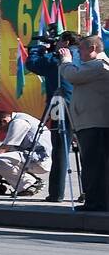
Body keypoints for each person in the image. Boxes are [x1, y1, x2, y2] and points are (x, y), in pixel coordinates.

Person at [25, 30, 79, 201]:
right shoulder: (83, 56)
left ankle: (57, 194)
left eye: (58, 41)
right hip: (82, 106)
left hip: (60, 106)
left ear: (66, 43)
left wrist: (37, 48)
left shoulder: (56, 59)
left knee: (60, 150)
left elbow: (32, 64)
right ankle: (89, 193)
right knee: (85, 151)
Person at [60, 34, 109, 213]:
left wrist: (65, 60)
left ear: (93, 49)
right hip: (93, 122)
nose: (78, 53)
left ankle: (96, 203)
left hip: (95, 124)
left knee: (93, 165)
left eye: (81, 49)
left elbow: (71, 75)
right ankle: (97, 202)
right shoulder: (95, 65)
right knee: (95, 165)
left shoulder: (98, 66)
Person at [0, 110, 51, 196]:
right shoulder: (21, 118)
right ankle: (31, 180)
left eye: (1, 129)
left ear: (4, 121)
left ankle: (30, 184)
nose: (3, 132)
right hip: (36, 157)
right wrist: (2, 173)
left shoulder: (19, 123)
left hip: (40, 160)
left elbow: (3, 148)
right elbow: (10, 150)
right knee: (7, 155)